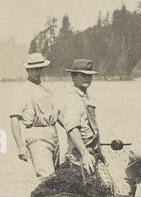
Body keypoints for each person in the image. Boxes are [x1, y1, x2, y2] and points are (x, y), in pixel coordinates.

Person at [8, 51, 63, 179]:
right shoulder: (20, 92)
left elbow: (57, 114)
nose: (37, 72)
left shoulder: (47, 90)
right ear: (28, 70)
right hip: (36, 134)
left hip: (53, 133)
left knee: (57, 176)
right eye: (34, 69)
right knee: (46, 176)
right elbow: (14, 119)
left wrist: (70, 129)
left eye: (40, 68)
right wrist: (20, 146)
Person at [58, 58, 111, 185]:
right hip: (80, 156)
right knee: (95, 191)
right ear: (73, 76)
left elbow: (93, 127)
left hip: (91, 153)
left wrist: (100, 152)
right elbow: (72, 129)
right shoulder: (72, 99)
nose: (87, 78)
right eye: (83, 75)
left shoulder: (85, 97)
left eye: (89, 75)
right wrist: (85, 154)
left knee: (104, 188)